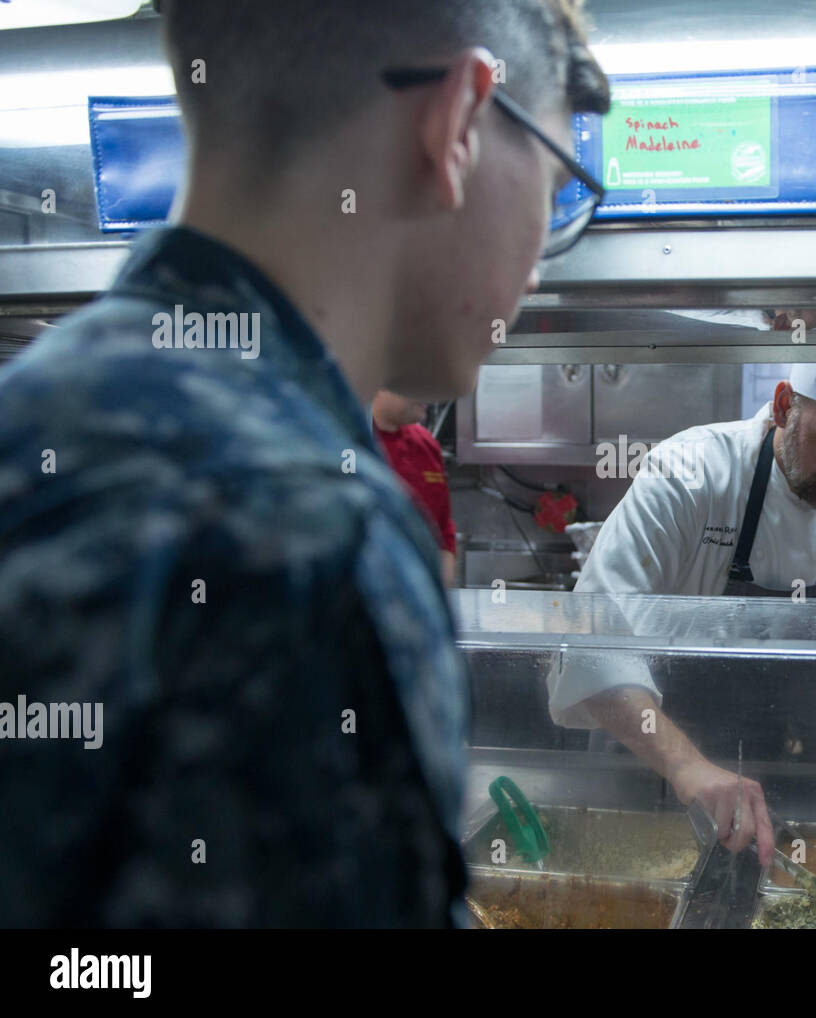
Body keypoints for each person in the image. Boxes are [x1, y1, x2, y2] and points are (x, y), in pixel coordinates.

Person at [0, 0, 609, 926]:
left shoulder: (34, 411)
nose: (538, 266)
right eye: (559, 185)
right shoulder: (320, 539)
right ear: (456, 126)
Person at [556, 362, 816, 865]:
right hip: (654, 783)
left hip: (803, 793)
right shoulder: (689, 473)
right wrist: (687, 768)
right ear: (785, 406)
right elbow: (595, 638)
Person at [373, 390, 457, 588]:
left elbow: (443, 530)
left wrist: (438, 588)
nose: (429, 395)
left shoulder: (426, 444)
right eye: (414, 383)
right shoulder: (348, 444)